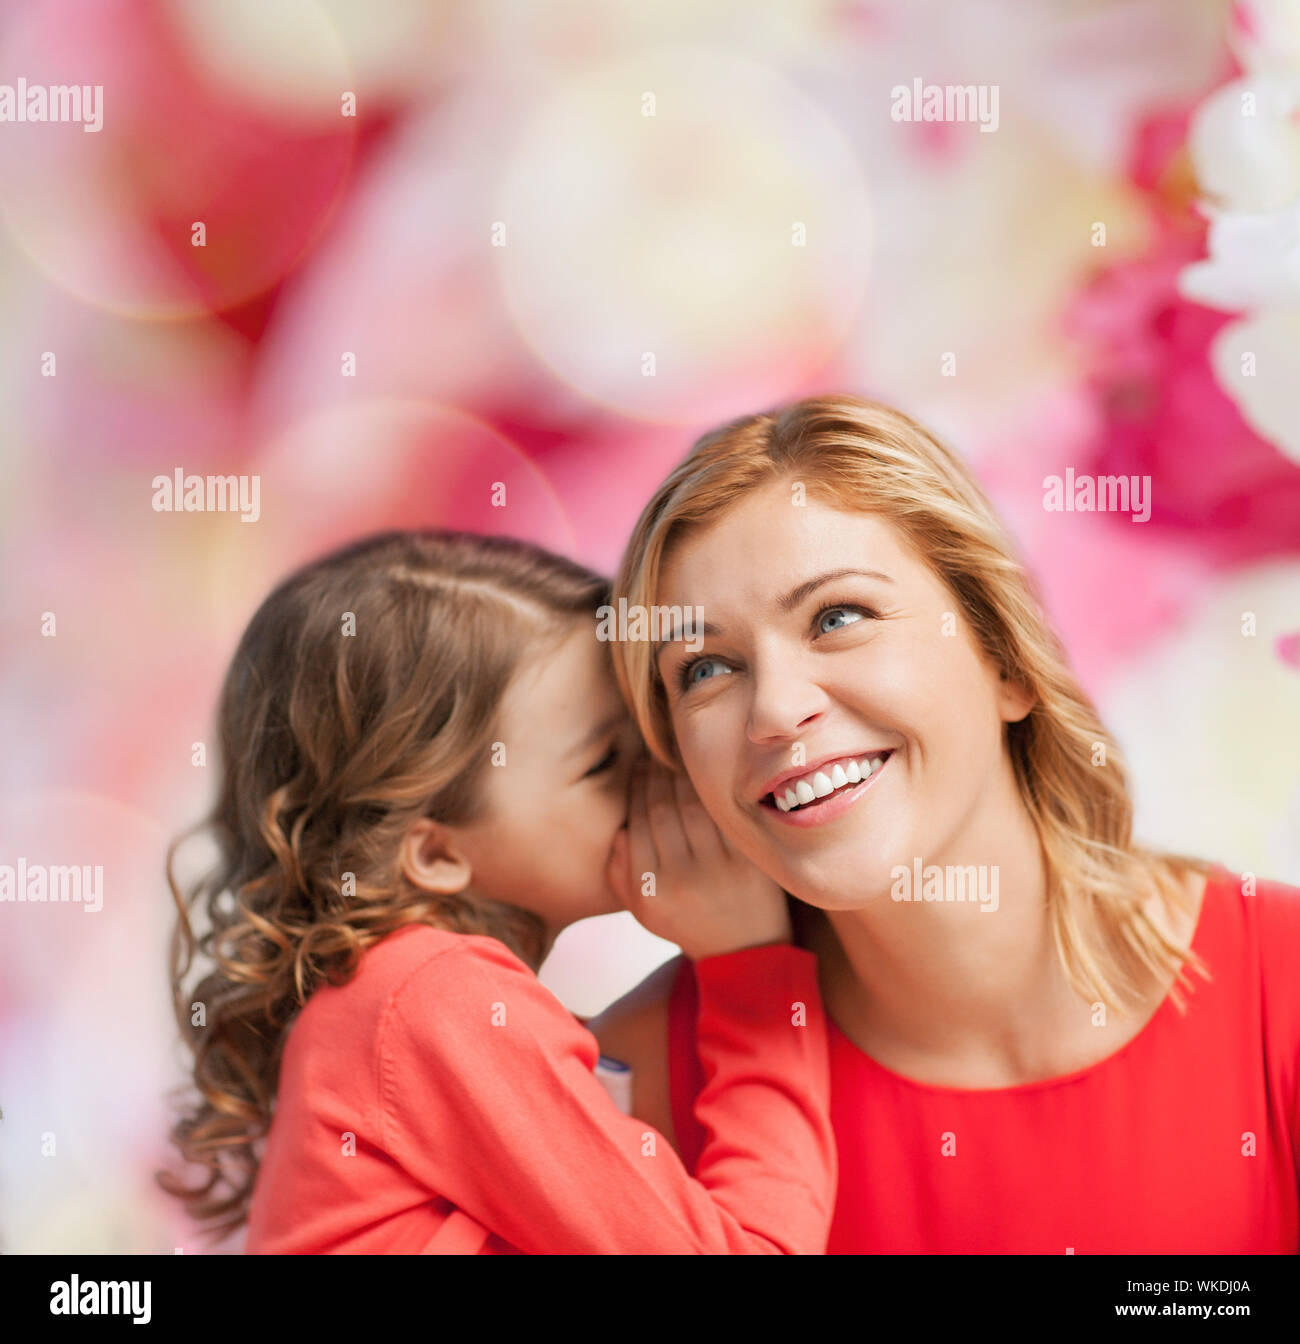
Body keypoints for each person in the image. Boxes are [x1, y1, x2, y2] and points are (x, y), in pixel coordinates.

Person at [592, 394, 1300, 1253]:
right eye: (704, 667)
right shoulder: (637, 1080)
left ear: (1005, 660)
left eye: (838, 617)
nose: (774, 711)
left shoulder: (1279, 988)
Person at [159, 530, 836, 1254]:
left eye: (651, 728)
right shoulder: (433, 996)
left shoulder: (389, 1000)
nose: (665, 770)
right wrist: (752, 967)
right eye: (607, 759)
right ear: (434, 850)